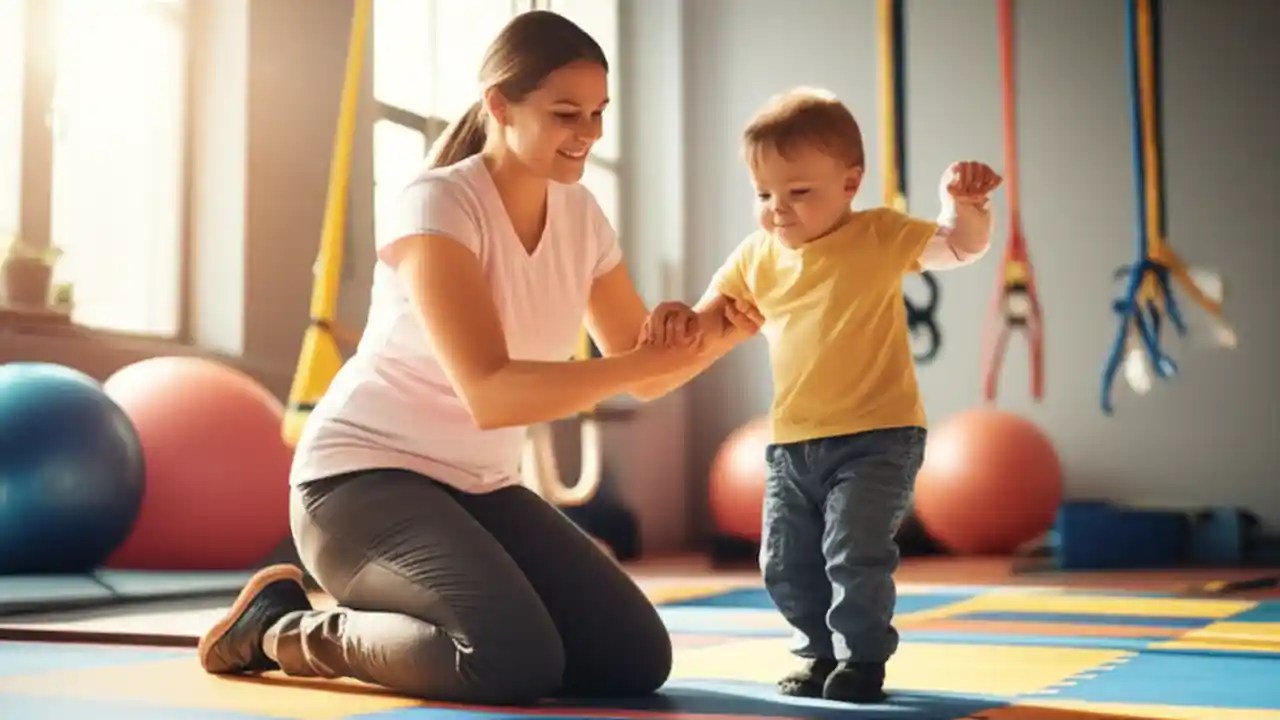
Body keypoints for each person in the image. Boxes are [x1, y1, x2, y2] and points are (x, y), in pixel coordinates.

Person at [196, 10, 757, 706]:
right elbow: (491, 392)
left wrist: (724, 330)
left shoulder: (581, 216)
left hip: (479, 487)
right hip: (359, 482)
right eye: (565, 113)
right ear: (498, 104)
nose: (589, 133)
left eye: (598, 112)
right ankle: (285, 628)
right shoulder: (439, 204)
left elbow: (642, 367)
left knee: (633, 657)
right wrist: (642, 363)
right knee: (508, 659)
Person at [644, 87, 1001, 703]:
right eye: (764, 194)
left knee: (853, 550)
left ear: (849, 183)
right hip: (792, 444)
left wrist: (964, 207)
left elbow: (959, 247)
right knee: (783, 562)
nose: (778, 209)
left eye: (798, 192)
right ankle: (816, 650)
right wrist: (680, 318)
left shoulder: (877, 234)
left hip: (878, 436)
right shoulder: (756, 256)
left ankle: (862, 659)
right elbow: (708, 321)